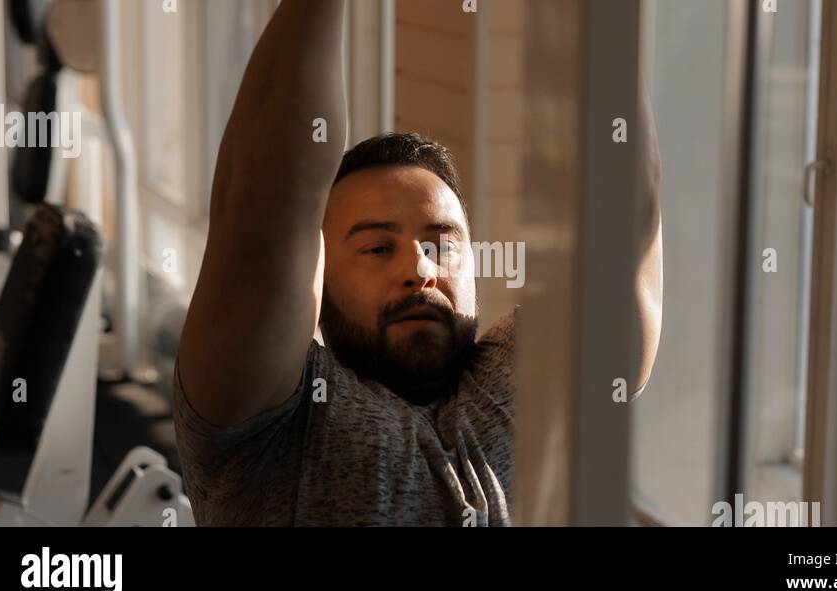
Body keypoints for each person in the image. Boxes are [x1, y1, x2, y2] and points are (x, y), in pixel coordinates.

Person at [173, 0, 662, 526]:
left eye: (441, 244)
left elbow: (626, 224)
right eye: (378, 248)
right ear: (315, 281)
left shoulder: (520, 388)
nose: (420, 270)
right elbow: (264, 212)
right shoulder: (267, 410)